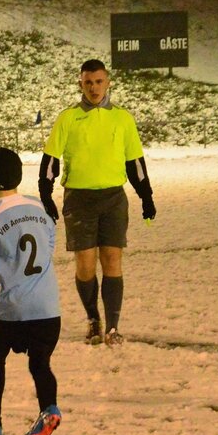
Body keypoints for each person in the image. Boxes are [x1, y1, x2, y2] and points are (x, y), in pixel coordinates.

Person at [39, 59, 155, 346]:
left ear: (108, 82)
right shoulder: (67, 118)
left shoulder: (123, 118)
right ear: (81, 83)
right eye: (88, 82)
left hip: (114, 198)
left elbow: (135, 162)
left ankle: (113, 327)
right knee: (86, 265)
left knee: (113, 260)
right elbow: (50, 160)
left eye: (99, 81)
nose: (94, 87)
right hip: (79, 200)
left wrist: (146, 195)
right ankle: (93, 318)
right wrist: (45, 192)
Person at [0, 148, 63, 435]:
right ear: (20, 177)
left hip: (13, 309)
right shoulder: (39, 207)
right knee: (40, 364)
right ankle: (49, 409)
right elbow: (49, 246)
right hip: (49, 308)